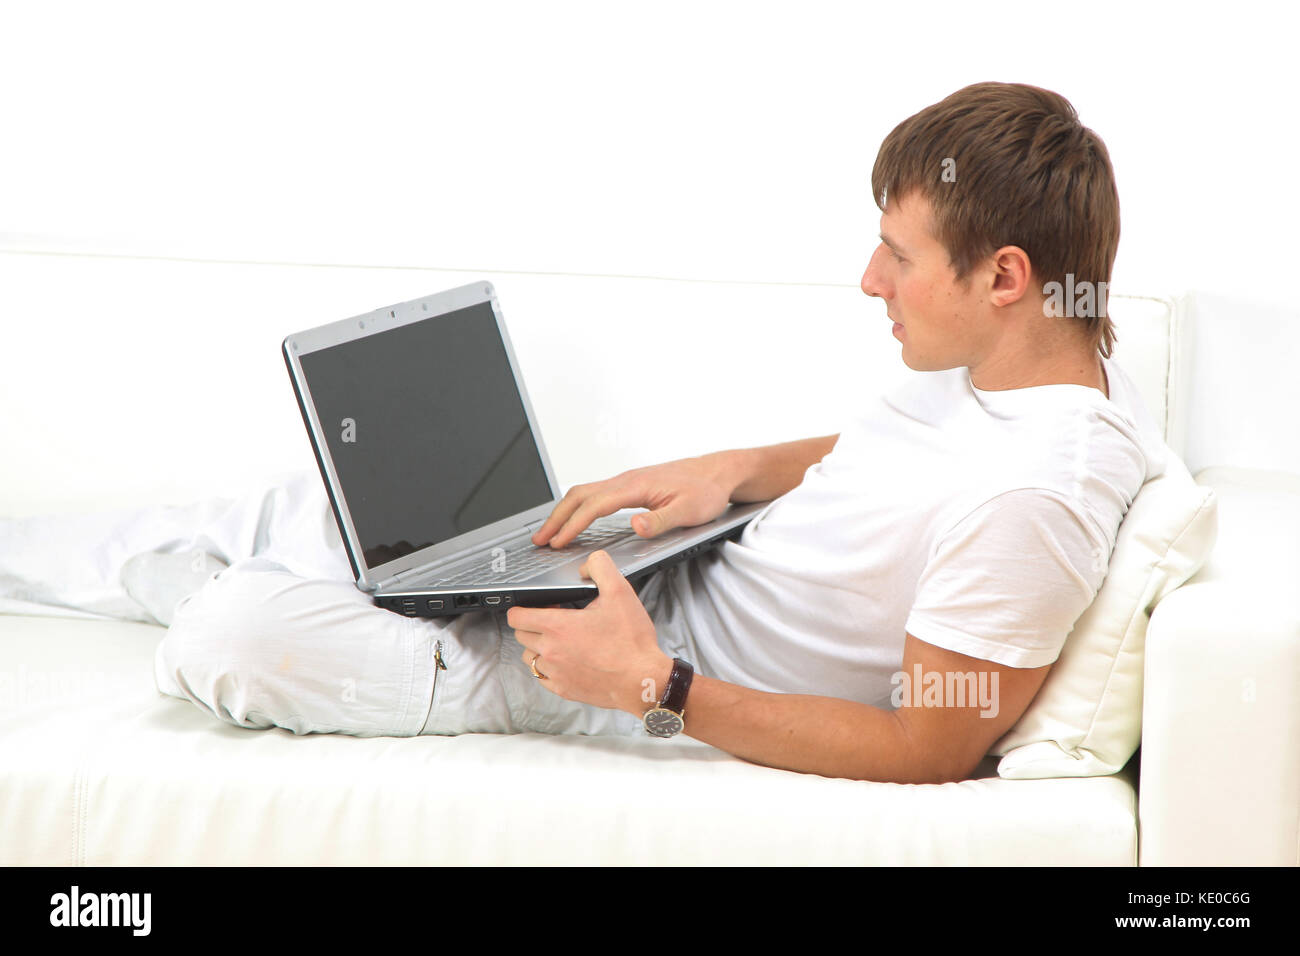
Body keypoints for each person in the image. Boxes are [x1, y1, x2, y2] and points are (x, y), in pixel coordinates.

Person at [5, 81, 1166, 784]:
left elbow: (931, 744)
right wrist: (732, 471)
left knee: (239, 624)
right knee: (311, 514)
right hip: (649, 575)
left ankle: (369, 596)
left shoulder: (1038, 494)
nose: (869, 280)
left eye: (898, 256)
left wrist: (657, 686)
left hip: (593, 666)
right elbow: (904, 462)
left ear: (1005, 275)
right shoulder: (1013, 383)